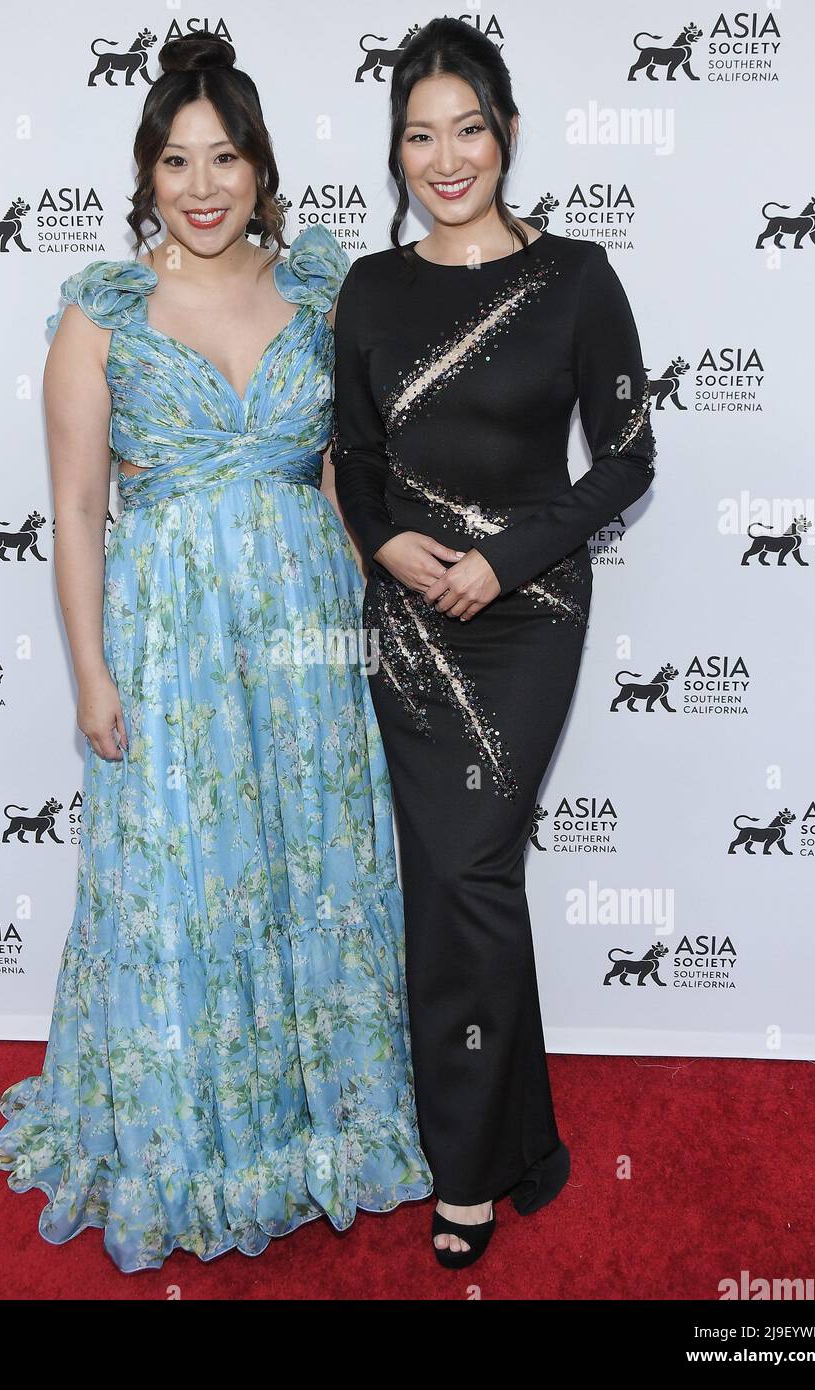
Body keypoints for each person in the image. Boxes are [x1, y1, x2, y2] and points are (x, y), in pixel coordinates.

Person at [0, 33, 431, 1274]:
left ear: (259, 168)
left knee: (308, 869)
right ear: (147, 175)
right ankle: (191, 1140)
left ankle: (317, 1133)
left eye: (223, 156)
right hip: (172, 641)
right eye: (176, 160)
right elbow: (78, 510)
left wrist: (383, 599)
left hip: (301, 632)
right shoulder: (100, 315)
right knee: (186, 887)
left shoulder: (324, 293)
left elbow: (351, 472)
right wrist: (89, 672)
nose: (202, 183)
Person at [332, 18, 657, 1268]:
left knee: (465, 872)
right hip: (409, 623)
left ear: (507, 133)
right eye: (419, 135)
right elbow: (354, 455)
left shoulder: (576, 276)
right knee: (462, 881)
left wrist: (505, 557)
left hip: (525, 620)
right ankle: (517, 1140)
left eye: (466, 128)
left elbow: (626, 457)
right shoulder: (371, 286)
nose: (444, 156)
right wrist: (382, 544)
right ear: (397, 151)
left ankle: (462, 1167)